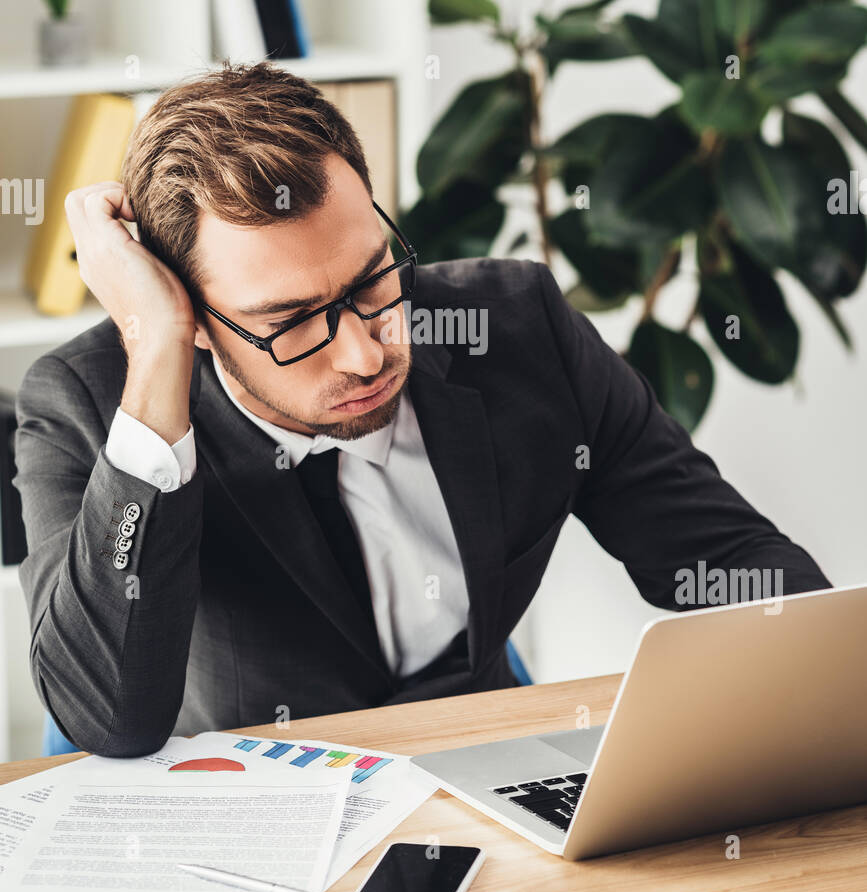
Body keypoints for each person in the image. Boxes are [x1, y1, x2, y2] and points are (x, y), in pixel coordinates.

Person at [14, 63, 830, 758]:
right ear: (194, 318)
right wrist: (155, 345)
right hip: (252, 804)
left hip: (479, 760)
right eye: (291, 321)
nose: (366, 355)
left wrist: (821, 684)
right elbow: (111, 721)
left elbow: (723, 558)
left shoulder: (519, 326)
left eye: (372, 280)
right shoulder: (89, 404)